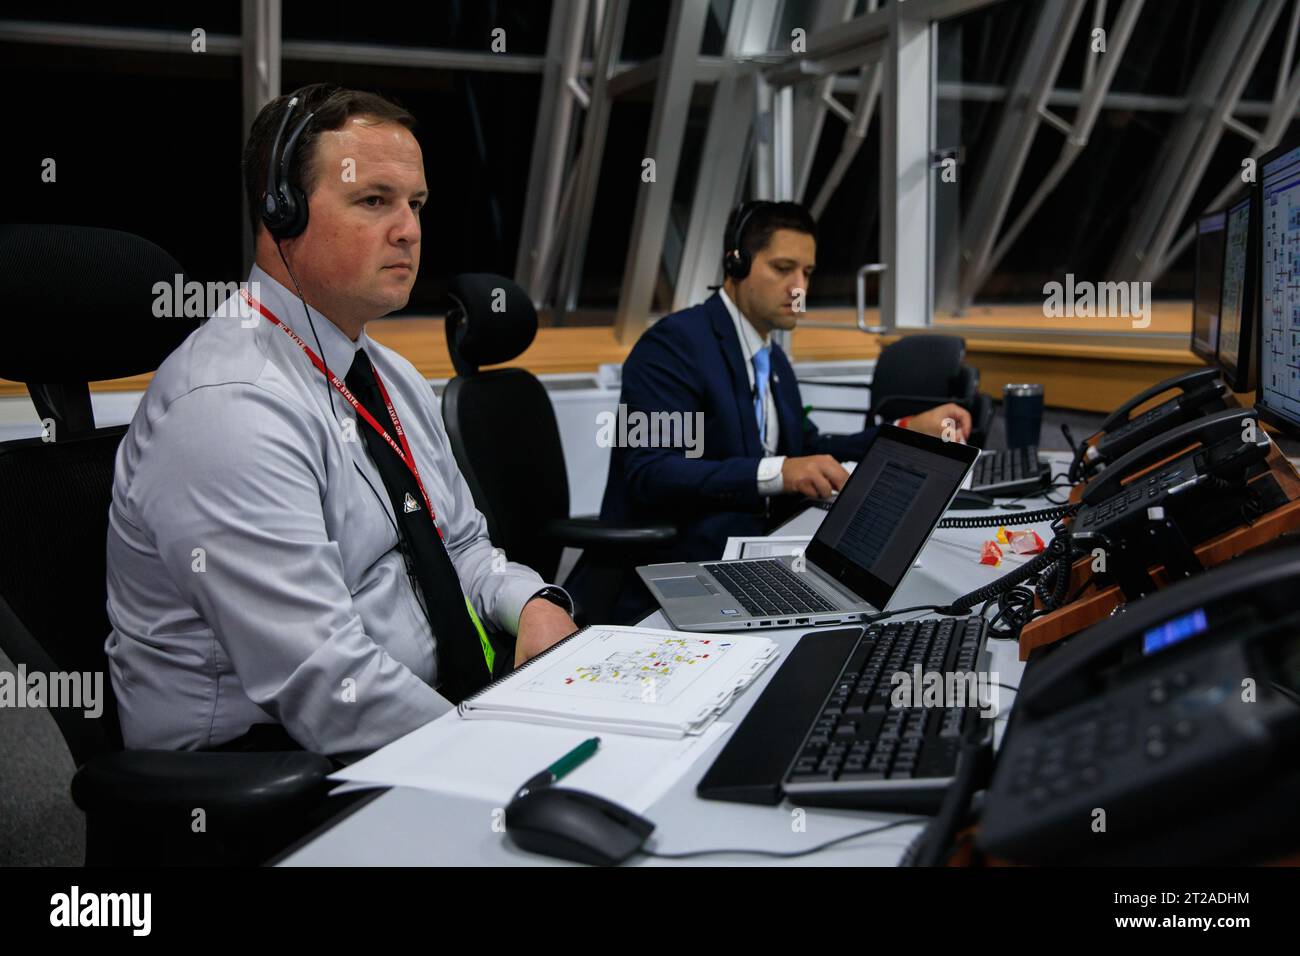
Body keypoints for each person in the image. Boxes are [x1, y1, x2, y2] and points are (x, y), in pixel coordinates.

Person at [105, 84, 577, 757]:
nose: (410, 228)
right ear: (281, 214)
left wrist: (531, 602)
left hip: (434, 714)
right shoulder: (226, 407)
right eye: (374, 200)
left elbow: (462, 546)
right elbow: (325, 683)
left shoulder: (388, 375)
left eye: (415, 204)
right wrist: (501, 752)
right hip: (273, 769)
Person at [596, 200, 971, 619]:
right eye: (783, 268)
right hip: (674, 574)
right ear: (736, 264)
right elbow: (652, 471)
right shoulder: (671, 347)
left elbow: (808, 447)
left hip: (752, 559)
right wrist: (777, 472)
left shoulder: (771, 358)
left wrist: (905, 429)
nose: (799, 289)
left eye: (806, 273)